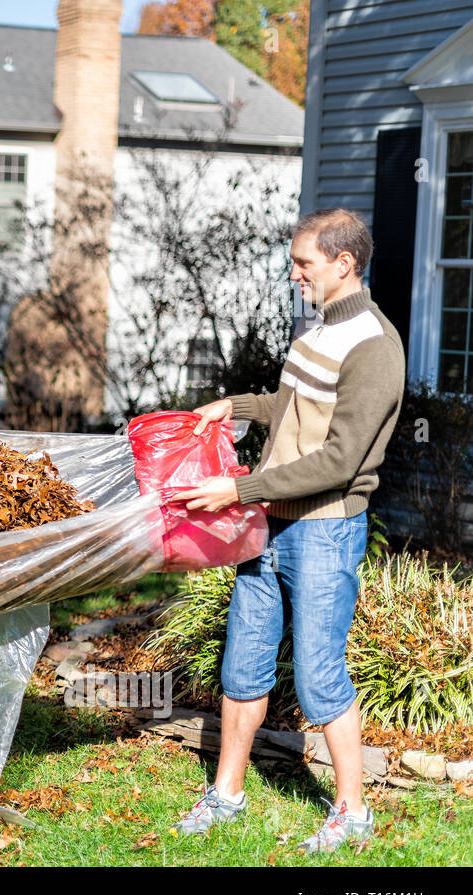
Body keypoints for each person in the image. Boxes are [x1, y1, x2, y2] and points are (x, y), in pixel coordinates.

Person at [166, 208, 405, 855]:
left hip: (325, 532)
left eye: (303, 262)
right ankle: (227, 794)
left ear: (343, 263)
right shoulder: (317, 333)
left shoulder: (375, 347)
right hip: (267, 528)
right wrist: (238, 407)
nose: (292, 272)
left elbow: (341, 459)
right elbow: (294, 409)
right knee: (242, 666)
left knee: (320, 676)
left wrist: (237, 490)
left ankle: (352, 811)